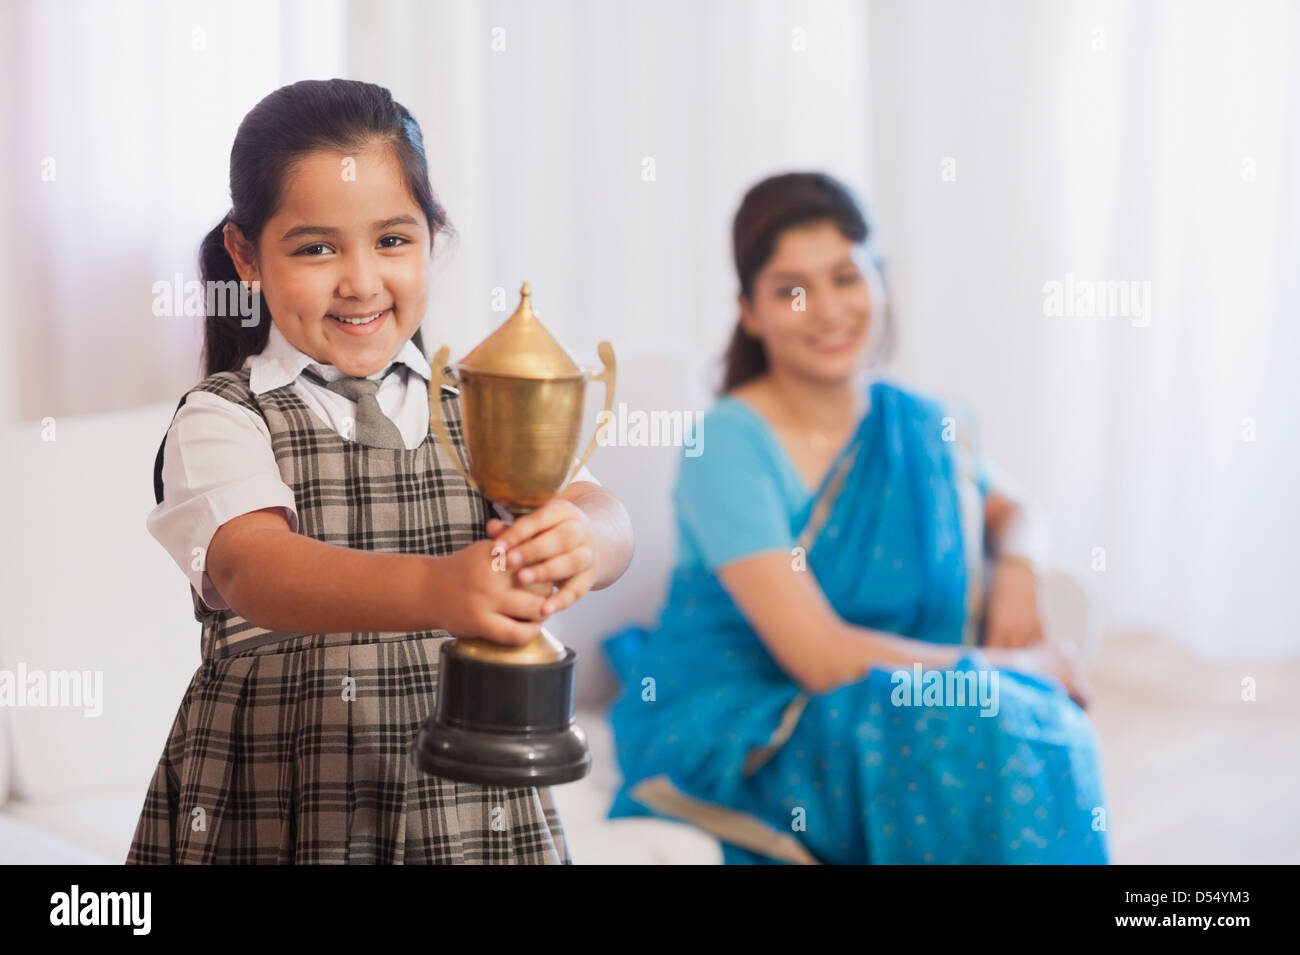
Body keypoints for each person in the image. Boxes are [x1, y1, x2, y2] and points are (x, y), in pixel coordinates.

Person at [127, 79, 633, 864]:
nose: (361, 281)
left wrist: (586, 538)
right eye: (316, 247)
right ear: (245, 255)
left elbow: (595, 507)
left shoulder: (476, 401)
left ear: (433, 236)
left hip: (467, 809)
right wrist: (440, 590)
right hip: (284, 803)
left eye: (392, 240)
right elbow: (255, 570)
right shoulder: (224, 419)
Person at [602, 172, 1108, 864]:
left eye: (846, 277)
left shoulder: (919, 426)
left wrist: (1018, 569)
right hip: (756, 721)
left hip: (893, 703)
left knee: (1033, 719)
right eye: (791, 290)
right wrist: (1011, 665)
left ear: (880, 282)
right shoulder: (726, 444)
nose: (827, 310)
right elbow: (819, 655)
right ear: (749, 310)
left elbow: (1014, 509)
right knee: (996, 720)